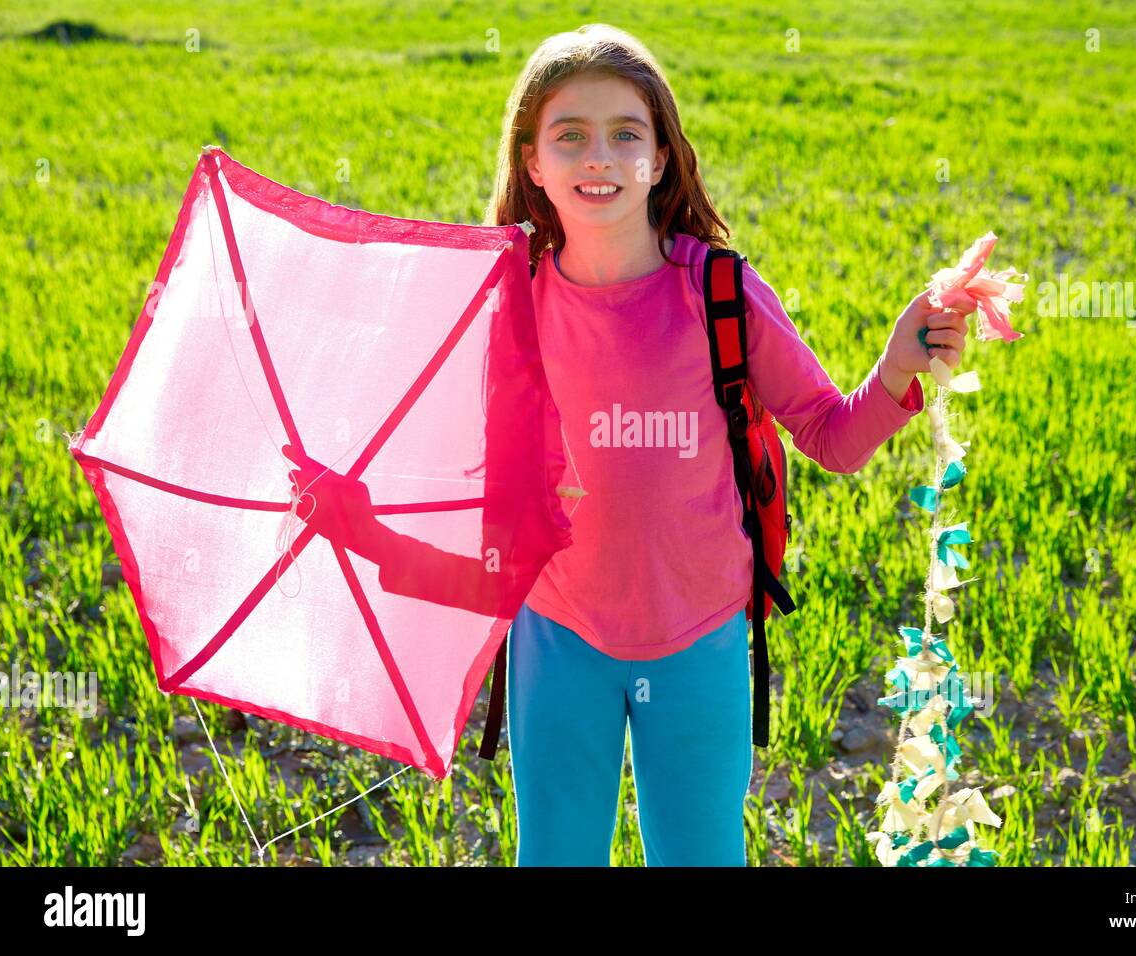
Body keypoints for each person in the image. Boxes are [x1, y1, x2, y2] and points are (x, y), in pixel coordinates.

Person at [290, 23, 974, 867]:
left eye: (626, 134)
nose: (599, 156)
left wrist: (899, 364)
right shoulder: (508, 306)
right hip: (557, 637)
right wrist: (355, 522)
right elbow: (453, 488)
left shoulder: (719, 293)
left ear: (660, 158)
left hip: (700, 638)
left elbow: (831, 436)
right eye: (569, 135)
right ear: (532, 162)